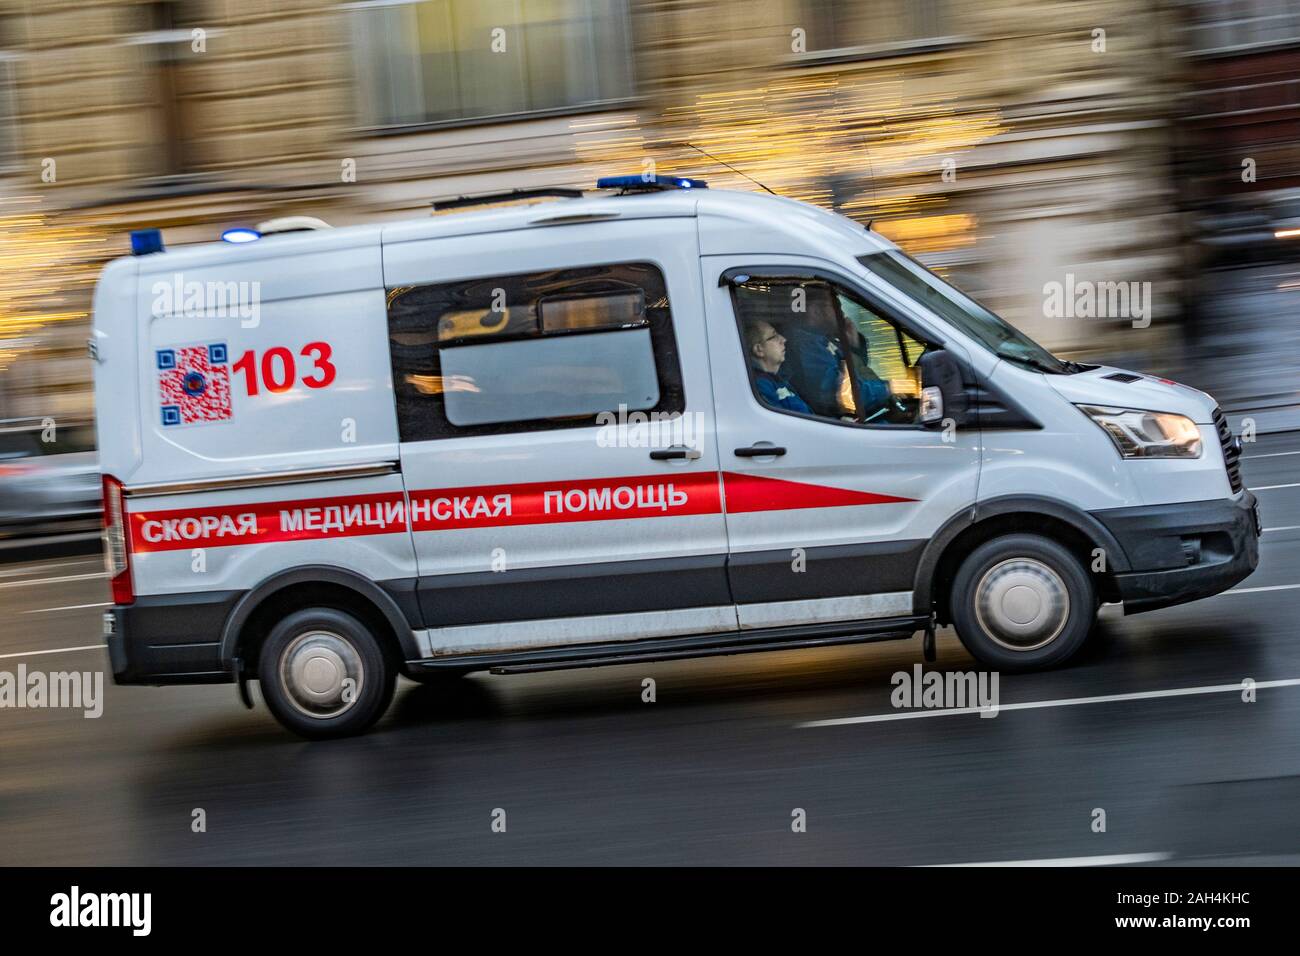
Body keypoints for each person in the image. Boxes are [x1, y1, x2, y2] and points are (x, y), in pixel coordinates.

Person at [782, 302, 892, 419]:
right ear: (816, 311)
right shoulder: (807, 345)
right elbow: (844, 395)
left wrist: (853, 346)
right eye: (836, 307)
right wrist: (893, 388)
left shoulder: (825, 339)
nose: (842, 312)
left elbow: (857, 374)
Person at [743, 319, 812, 414]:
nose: (783, 339)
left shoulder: (781, 378)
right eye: (774, 336)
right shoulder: (759, 387)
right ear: (759, 350)